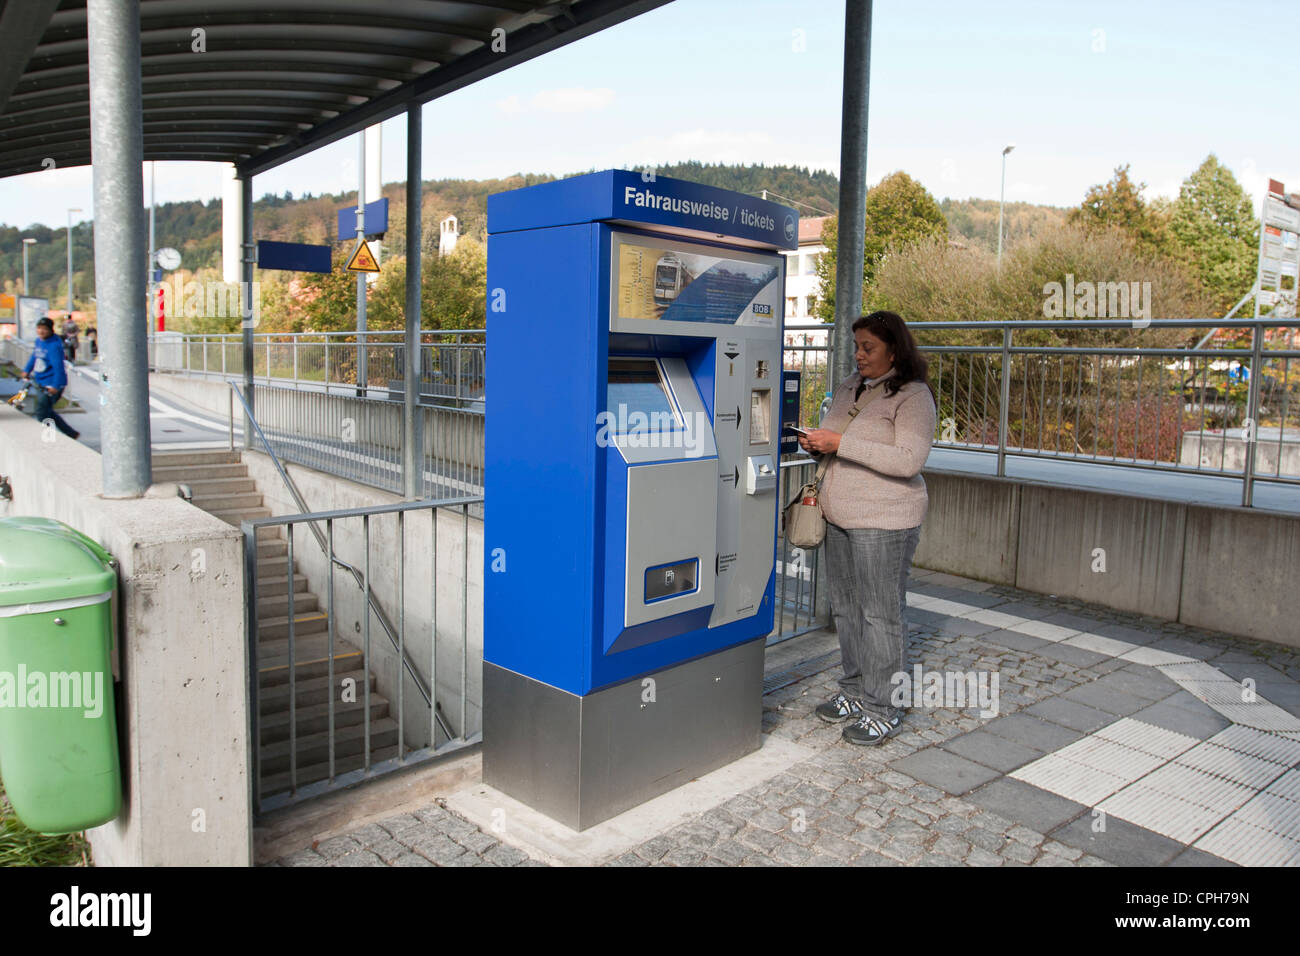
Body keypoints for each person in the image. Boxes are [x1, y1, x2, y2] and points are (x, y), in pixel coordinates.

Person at [798, 311, 935, 745]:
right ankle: (856, 690)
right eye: (856, 346)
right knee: (846, 610)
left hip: (884, 521)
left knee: (880, 614)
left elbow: (908, 460)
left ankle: (884, 706)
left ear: (894, 349)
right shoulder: (850, 387)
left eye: (868, 347)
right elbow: (842, 445)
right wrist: (818, 441)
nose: (858, 355)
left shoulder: (913, 397)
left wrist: (840, 443)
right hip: (839, 517)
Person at [20, 317, 79, 440]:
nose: (41, 332)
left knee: (42, 412)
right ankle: (71, 433)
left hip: (51, 384)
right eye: (39, 328)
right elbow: (34, 356)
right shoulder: (39, 341)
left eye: (44, 329)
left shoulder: (54, 346)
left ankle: (51, 436)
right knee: (46, 411)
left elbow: (59, 367)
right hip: (41, 381)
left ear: (50, 330)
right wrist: (27, 370)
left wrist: (55, 386)